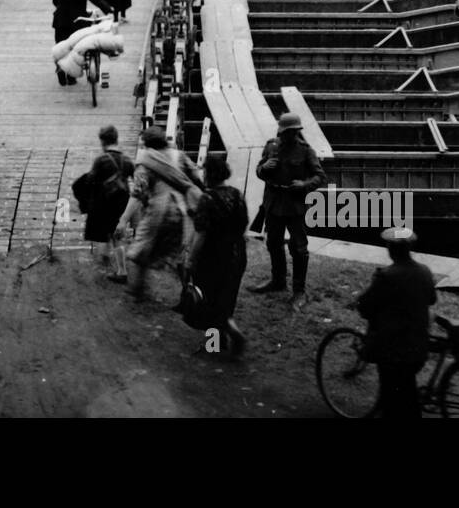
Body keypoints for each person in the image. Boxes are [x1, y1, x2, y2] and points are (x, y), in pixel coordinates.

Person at [357, 227, 437, 419]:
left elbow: (366, 307)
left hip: (393, 351)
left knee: (395, 397)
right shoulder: (424, 272)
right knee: (405, 389)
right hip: (419, 347)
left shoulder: (385, 276)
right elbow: (431, 299)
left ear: (390, 250)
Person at [249, 112, 328, 307]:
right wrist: (264, 167)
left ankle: (299, 292)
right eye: (286, 132)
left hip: (295, 206)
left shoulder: (306, 151)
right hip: (274, 203)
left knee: (299, 248)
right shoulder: (271, 146)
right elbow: (259, 170)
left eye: (293, 132)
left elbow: (320, 177)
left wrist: (304, 184)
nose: (288, 136)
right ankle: (278, 281)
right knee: (274, 243)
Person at [117, 128, 205, 301]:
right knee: (181, 255)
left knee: (140, 251)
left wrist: (124, 219)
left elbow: (138, 193)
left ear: (148, 144)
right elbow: (196, 177)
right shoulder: (179, 155)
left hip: (158, 213)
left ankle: (137, 290)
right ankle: (188, 291)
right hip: (181, 212)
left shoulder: (146, 161)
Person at [187, 153, 248, 359]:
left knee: (208, 300)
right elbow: (243, 225)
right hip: (237, 253)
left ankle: (218, 341)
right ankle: (221, 339)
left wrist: (191, 260)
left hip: (212, 255)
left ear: (209, 174)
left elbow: (201, 234)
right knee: (226, 298)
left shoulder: (207, 198)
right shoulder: (237, 194)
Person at [76, 125, 135, 281]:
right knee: (117, 233)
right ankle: (112, 260)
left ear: (103, 141)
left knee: (105, 229)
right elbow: (135, 179)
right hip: (122, 202)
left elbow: (90, 180)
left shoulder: (101, 160)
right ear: (117, 139)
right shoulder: (127, 160)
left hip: (104, 202)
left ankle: (120, 270)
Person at [51, 0, 112, 85]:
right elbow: (97, 0)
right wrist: (109, 10)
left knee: (61, 46)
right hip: (78, 23)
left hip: (61, 21)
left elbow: (55, 1)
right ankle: (71, 76)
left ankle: (61, 75)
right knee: (75, 48)